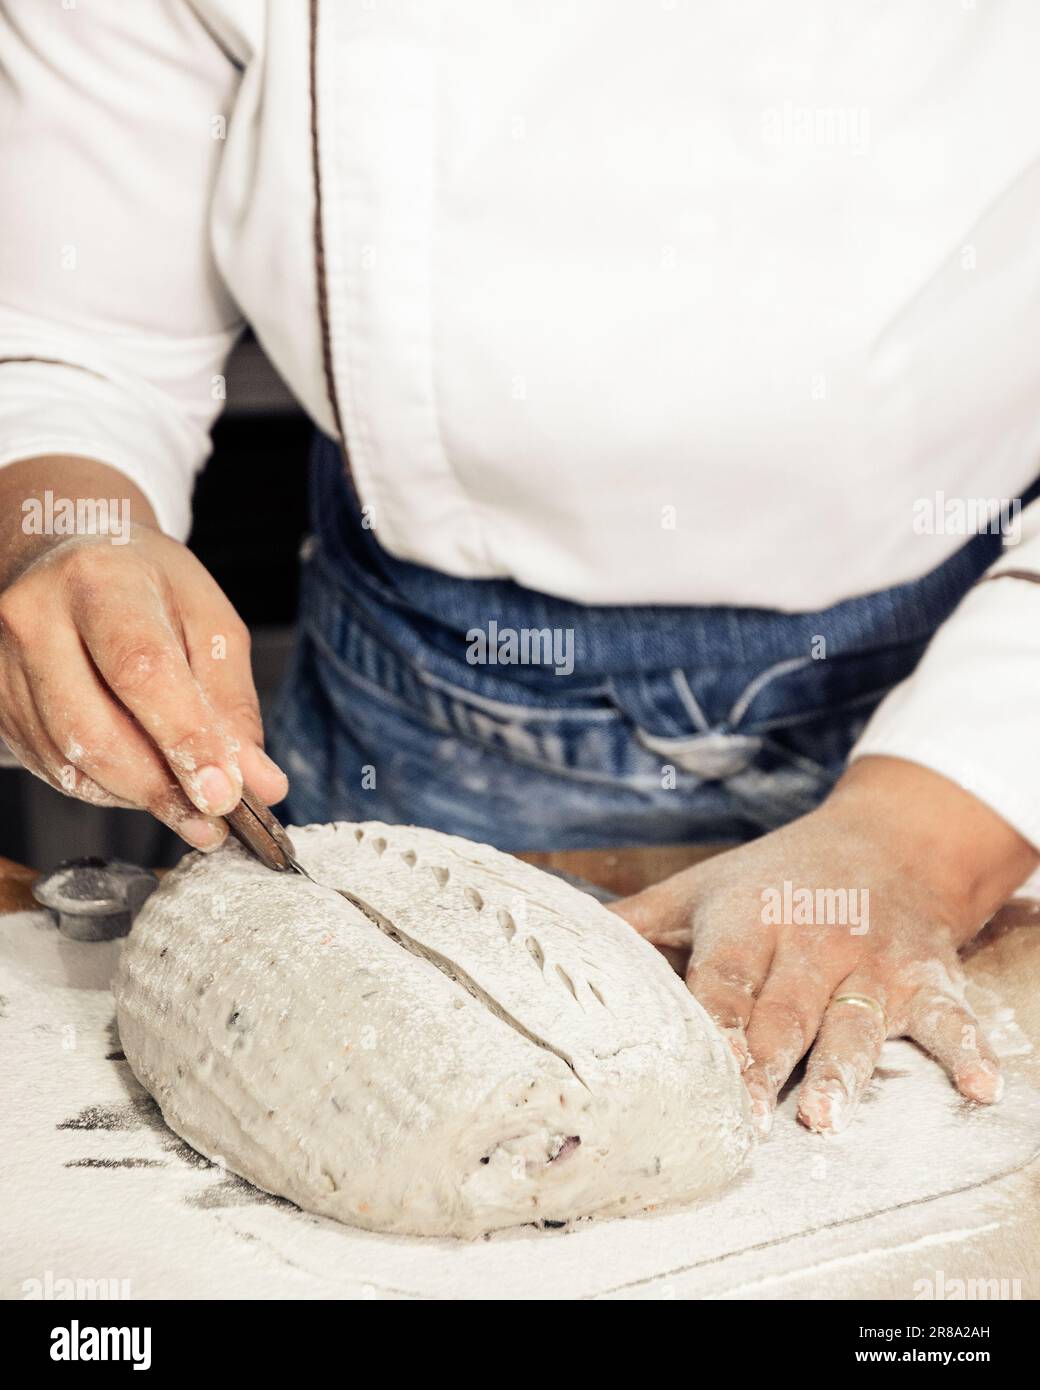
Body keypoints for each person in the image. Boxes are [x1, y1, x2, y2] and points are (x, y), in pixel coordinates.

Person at [1, 1, 1037, 1138]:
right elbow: (77, 340)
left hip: (976, 674)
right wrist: (60, 536)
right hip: (417, 717)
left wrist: (940, 822)